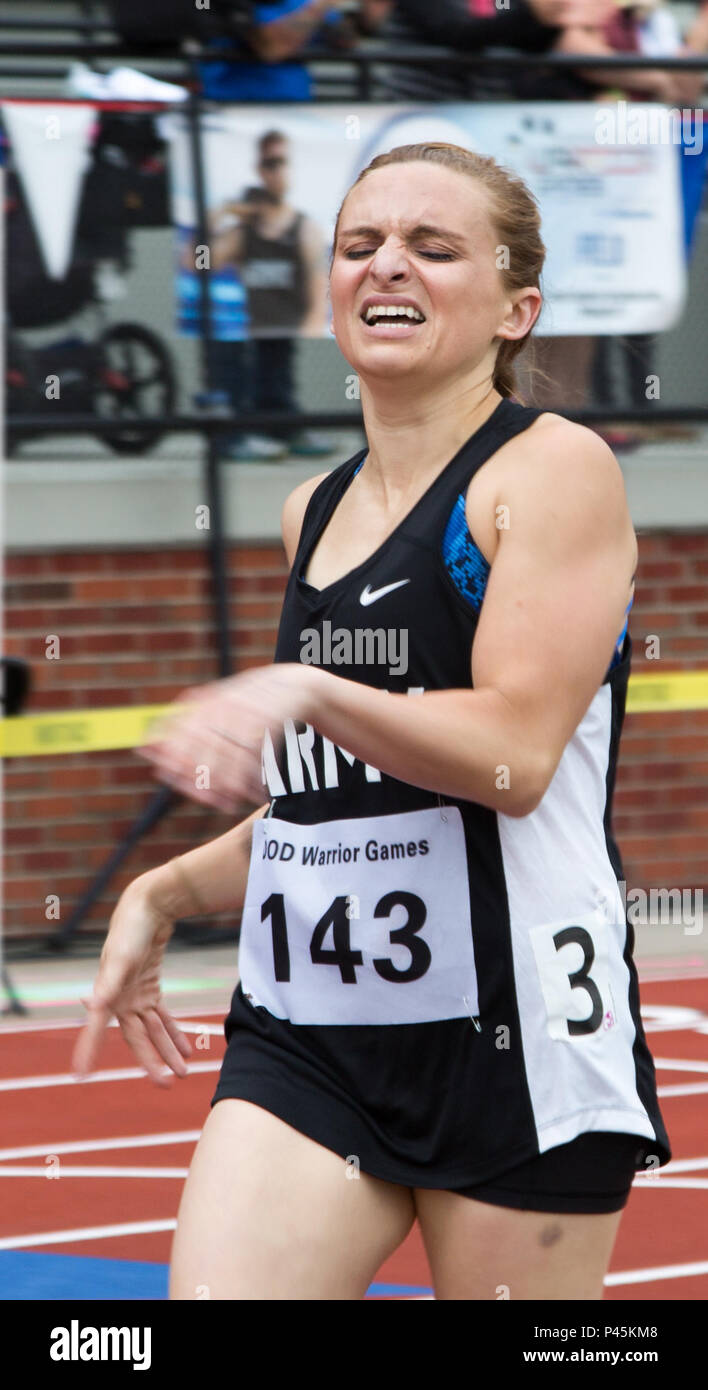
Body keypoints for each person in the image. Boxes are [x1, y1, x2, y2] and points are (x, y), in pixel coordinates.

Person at [74, 141, 670, 1301]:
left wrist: (305, 688)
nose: (386, 264)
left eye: (433, 248)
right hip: (315, 1033)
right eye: (360, 245)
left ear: (517, 307)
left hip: (513, 1037)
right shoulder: (316, 508)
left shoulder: (550, 473)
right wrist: (165, 889)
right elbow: (342, 806)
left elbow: (514, 757)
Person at [203, 129, 332, 460]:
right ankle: (242, 434)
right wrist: (221, 215)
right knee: (240, 370)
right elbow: (199, 262)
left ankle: (283, 427)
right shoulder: (240, 232)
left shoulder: (303, 228)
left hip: (280, 327)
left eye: (281, 164)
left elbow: (318, 280)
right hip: (246, 327)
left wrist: (314, 319)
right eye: (268, 165)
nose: (275, 174)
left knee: (277, 372)